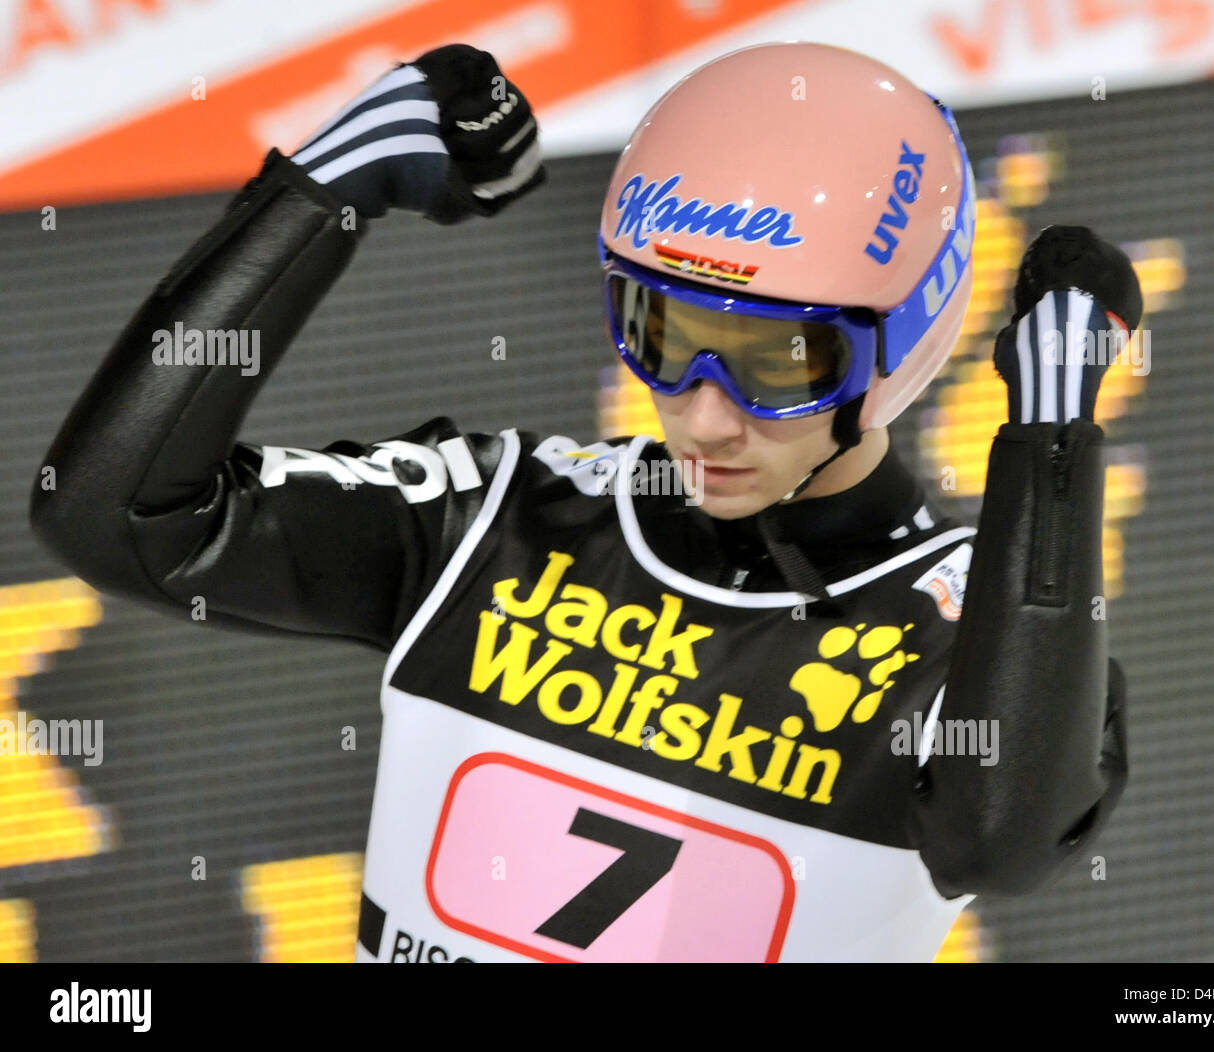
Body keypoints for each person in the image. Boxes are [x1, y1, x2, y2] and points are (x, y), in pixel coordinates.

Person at [30, 41, 1136, 962]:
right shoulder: (503, 511)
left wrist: (1052, 437)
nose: (704, 416)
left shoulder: (961, 633)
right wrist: (327, 184)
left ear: (900, 353)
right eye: (663, 334)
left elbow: (1000, 838)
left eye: (775, 362)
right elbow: (117, 517)